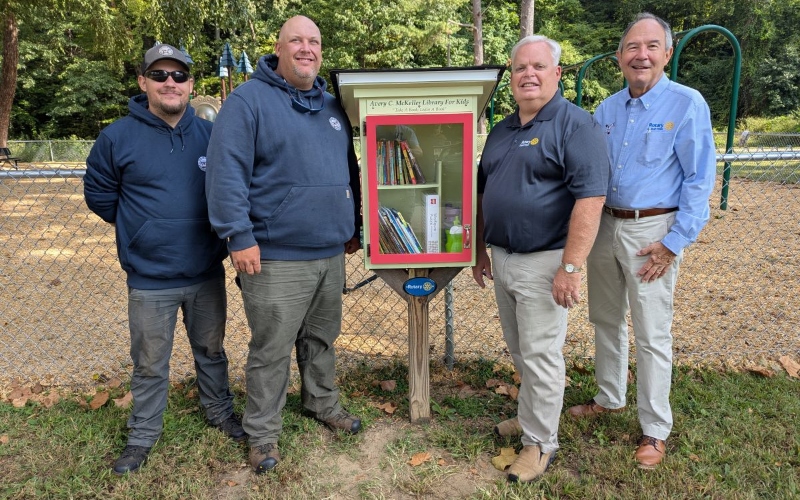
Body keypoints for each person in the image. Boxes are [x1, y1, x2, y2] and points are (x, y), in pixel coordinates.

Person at [205, 15, 363, 474]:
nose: (306, 48)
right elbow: (225, 173)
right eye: (296, 40)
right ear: (279, 48)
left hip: (330, 253)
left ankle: (321, 402)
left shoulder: (333, 107)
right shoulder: (247, 102)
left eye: (314, 41)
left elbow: (348, 172)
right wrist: (238, 235)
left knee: (322, 339)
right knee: (272, 349)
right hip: (274, 257)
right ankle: (262, 433)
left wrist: (352, 224)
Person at [84, 44, 245, 475]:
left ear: (191, 84)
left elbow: (232, 191)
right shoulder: (117, 137)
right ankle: (142, 434)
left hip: (205, 272)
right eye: (159, 75)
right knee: (150, 363)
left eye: (179, 75)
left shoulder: (211, 135)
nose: (169, 82)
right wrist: (143, 227)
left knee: (211, 351)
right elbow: (100, 195)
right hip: (150, 279)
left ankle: (219, 411)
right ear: (143, 82)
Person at [567, 13, 716, 469]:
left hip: (652, 233)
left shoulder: (686, 104)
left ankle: (655, 428)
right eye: (632, 47)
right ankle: (609, 397)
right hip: (604, 226)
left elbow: (699, 179)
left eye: (652, 46)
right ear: (619, 57)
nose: (641, 55)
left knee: (652, 333)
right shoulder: (606, 110)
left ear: (667, 53)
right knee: (605, 318)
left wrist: (673, 243)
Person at [471, 35, 610, 482]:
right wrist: (480, 250)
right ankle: (529, 415)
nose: (527, 74)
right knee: (521, 349)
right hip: (502, 257)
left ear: (557, 73)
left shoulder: (576, 126)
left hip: (546, 261)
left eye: (538, 66)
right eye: (519, 68)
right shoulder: (502, 129)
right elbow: (483, 191)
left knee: (541, 355)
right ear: (511, 77)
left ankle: (539, 444)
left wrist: (570, 267)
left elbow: (591, 199)